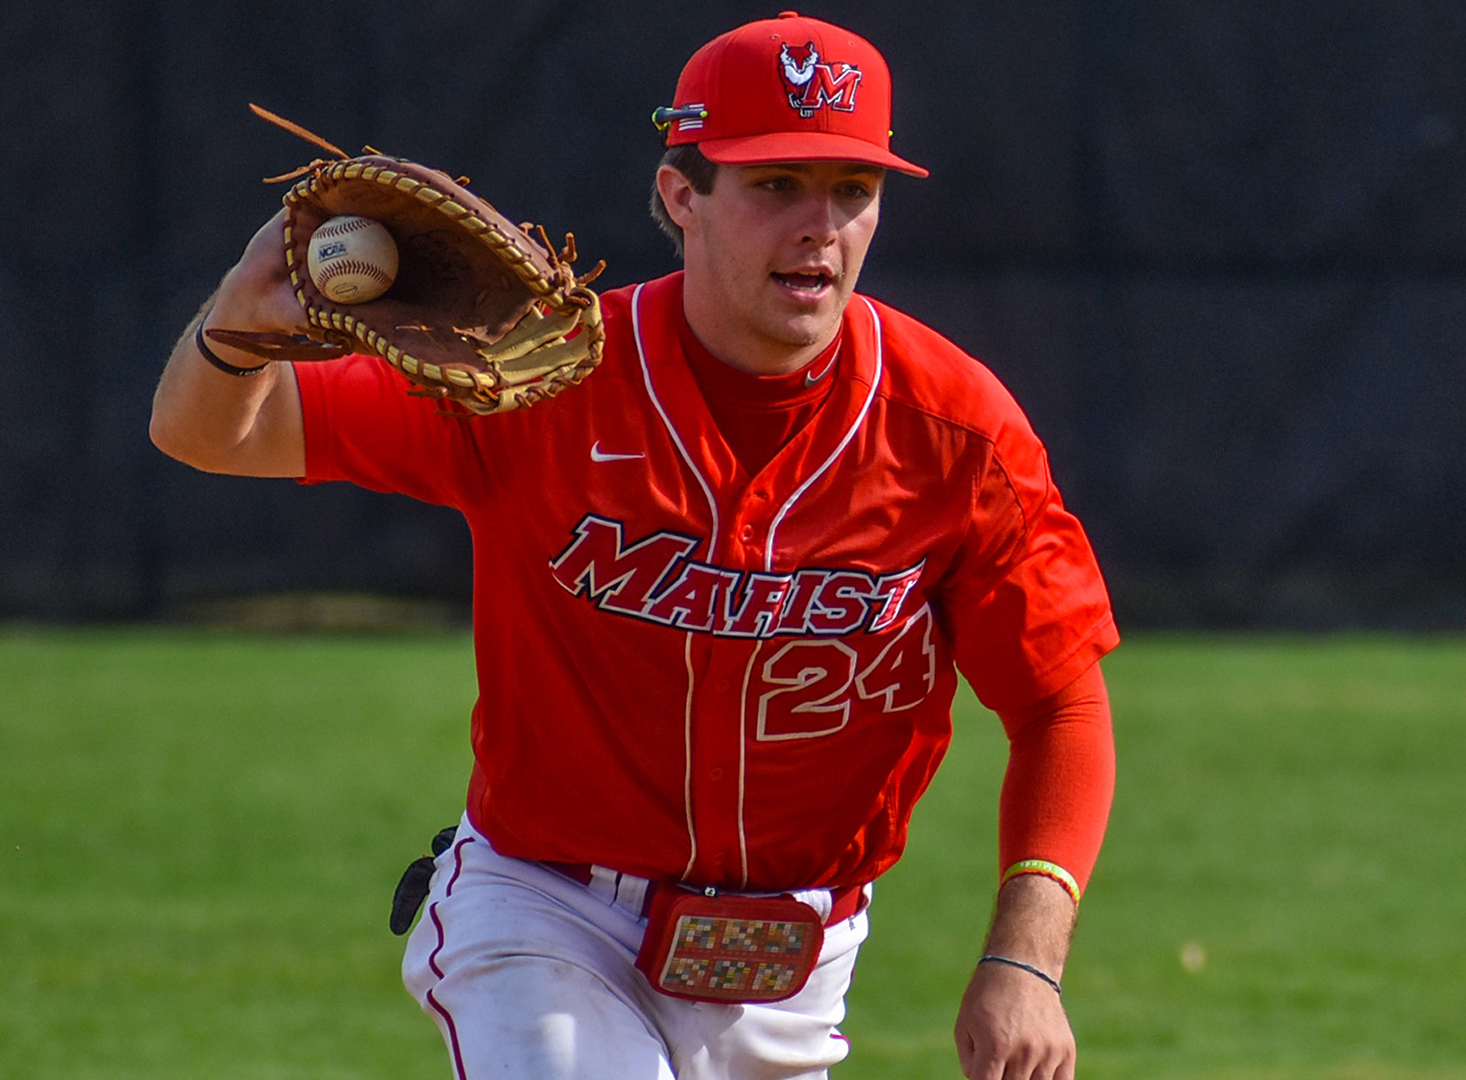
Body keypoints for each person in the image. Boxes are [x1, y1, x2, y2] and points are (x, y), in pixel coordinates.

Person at [150, 11, 1117, 1080]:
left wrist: (1026, 962)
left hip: (793, 963)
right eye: (774, 184)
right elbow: (208, 435)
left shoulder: (954, 434)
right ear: (679, 197)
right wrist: (233, 329)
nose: (819, 227)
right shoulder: (540, 381)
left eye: (852, 191)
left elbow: (1057, 705)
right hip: (546, 911)